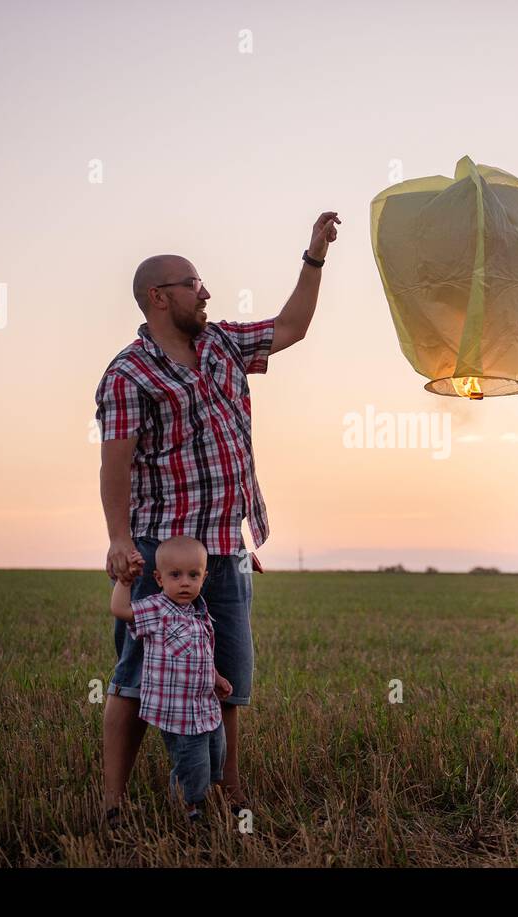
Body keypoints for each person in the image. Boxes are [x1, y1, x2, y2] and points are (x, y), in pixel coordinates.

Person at [96, 211, 341, 822]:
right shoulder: (129, 373)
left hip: (223, 551)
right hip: (162, 553)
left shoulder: (224, 342)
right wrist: (119, 541)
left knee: (229, 676)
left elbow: (292, 327)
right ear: (158, 297)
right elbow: (115, 467)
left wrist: (313, 257)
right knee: (133, 676)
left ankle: (226, 792)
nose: (205, 291)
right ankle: (111, 803)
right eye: (192, 283)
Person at [110, 535, 232, 820]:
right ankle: (187, 808)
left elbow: (200, 654)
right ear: (159, 578)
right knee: (192, 763)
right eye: (175, 575)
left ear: (204, 577)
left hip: (204, 707)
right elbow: (121, 610)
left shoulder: (199, 613)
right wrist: (125, 582)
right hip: (178, 712)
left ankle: (201, 795)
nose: (185, 582)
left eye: (193, 575)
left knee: (216, 756)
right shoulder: (157, 609)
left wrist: (216, 677)